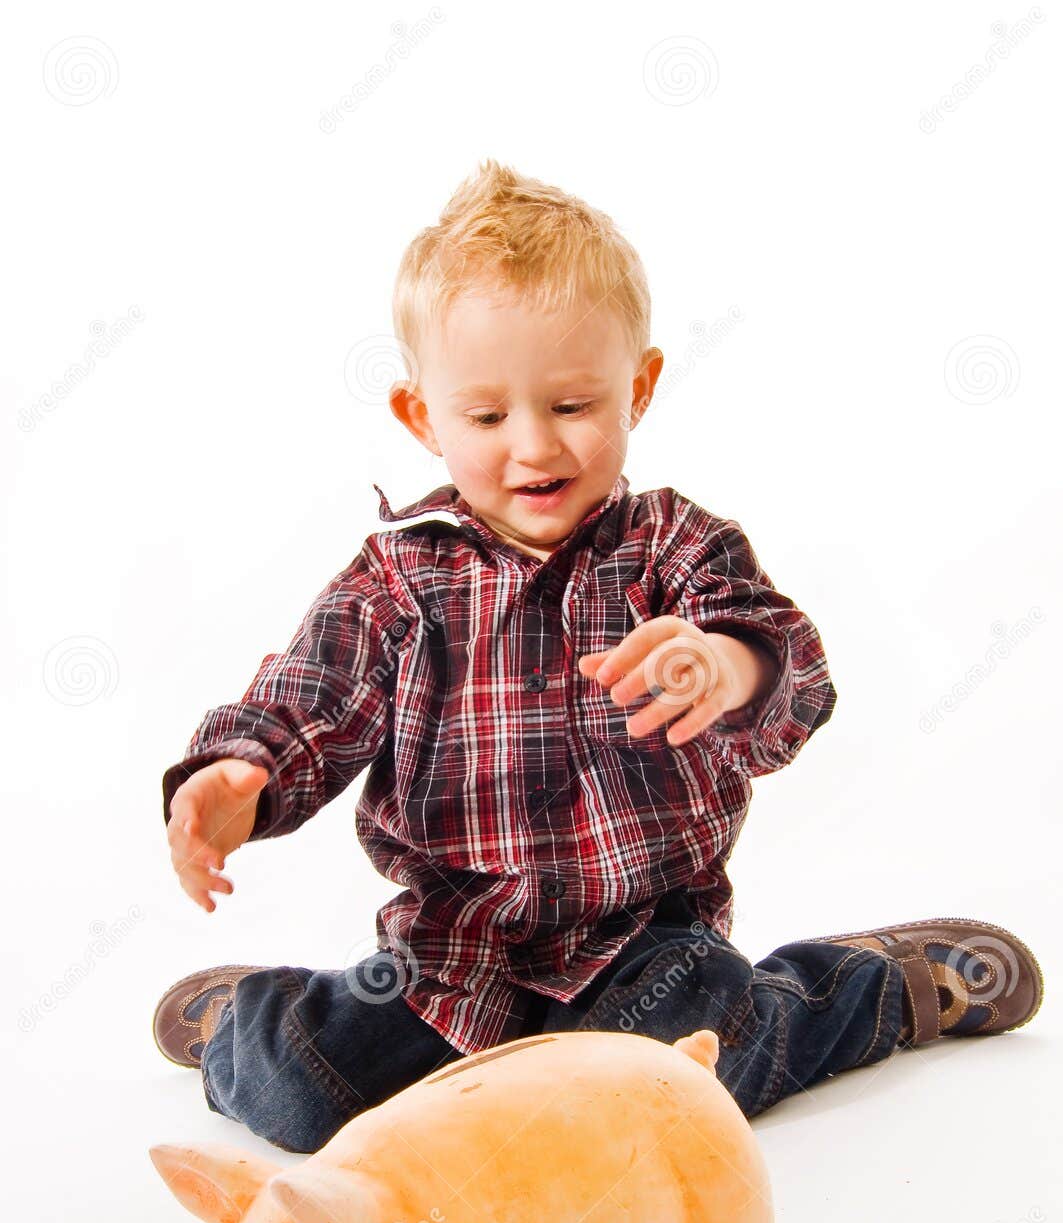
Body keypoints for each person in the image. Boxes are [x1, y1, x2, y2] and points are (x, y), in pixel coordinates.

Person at [153, 161, 1042, 1155]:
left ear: (638, 388)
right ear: (422, 417)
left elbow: (789, 665)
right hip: (447, 959)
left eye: (573, 404)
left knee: (682, 1081)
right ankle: (248, 1026)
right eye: (487, 417)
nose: (534, 447)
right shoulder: (397, 580)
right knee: (307, 1097)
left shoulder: (674, 548)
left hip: (647, 949)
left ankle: (872, 988)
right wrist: (240, 775)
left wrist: (725, 665)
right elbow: (307, 698)